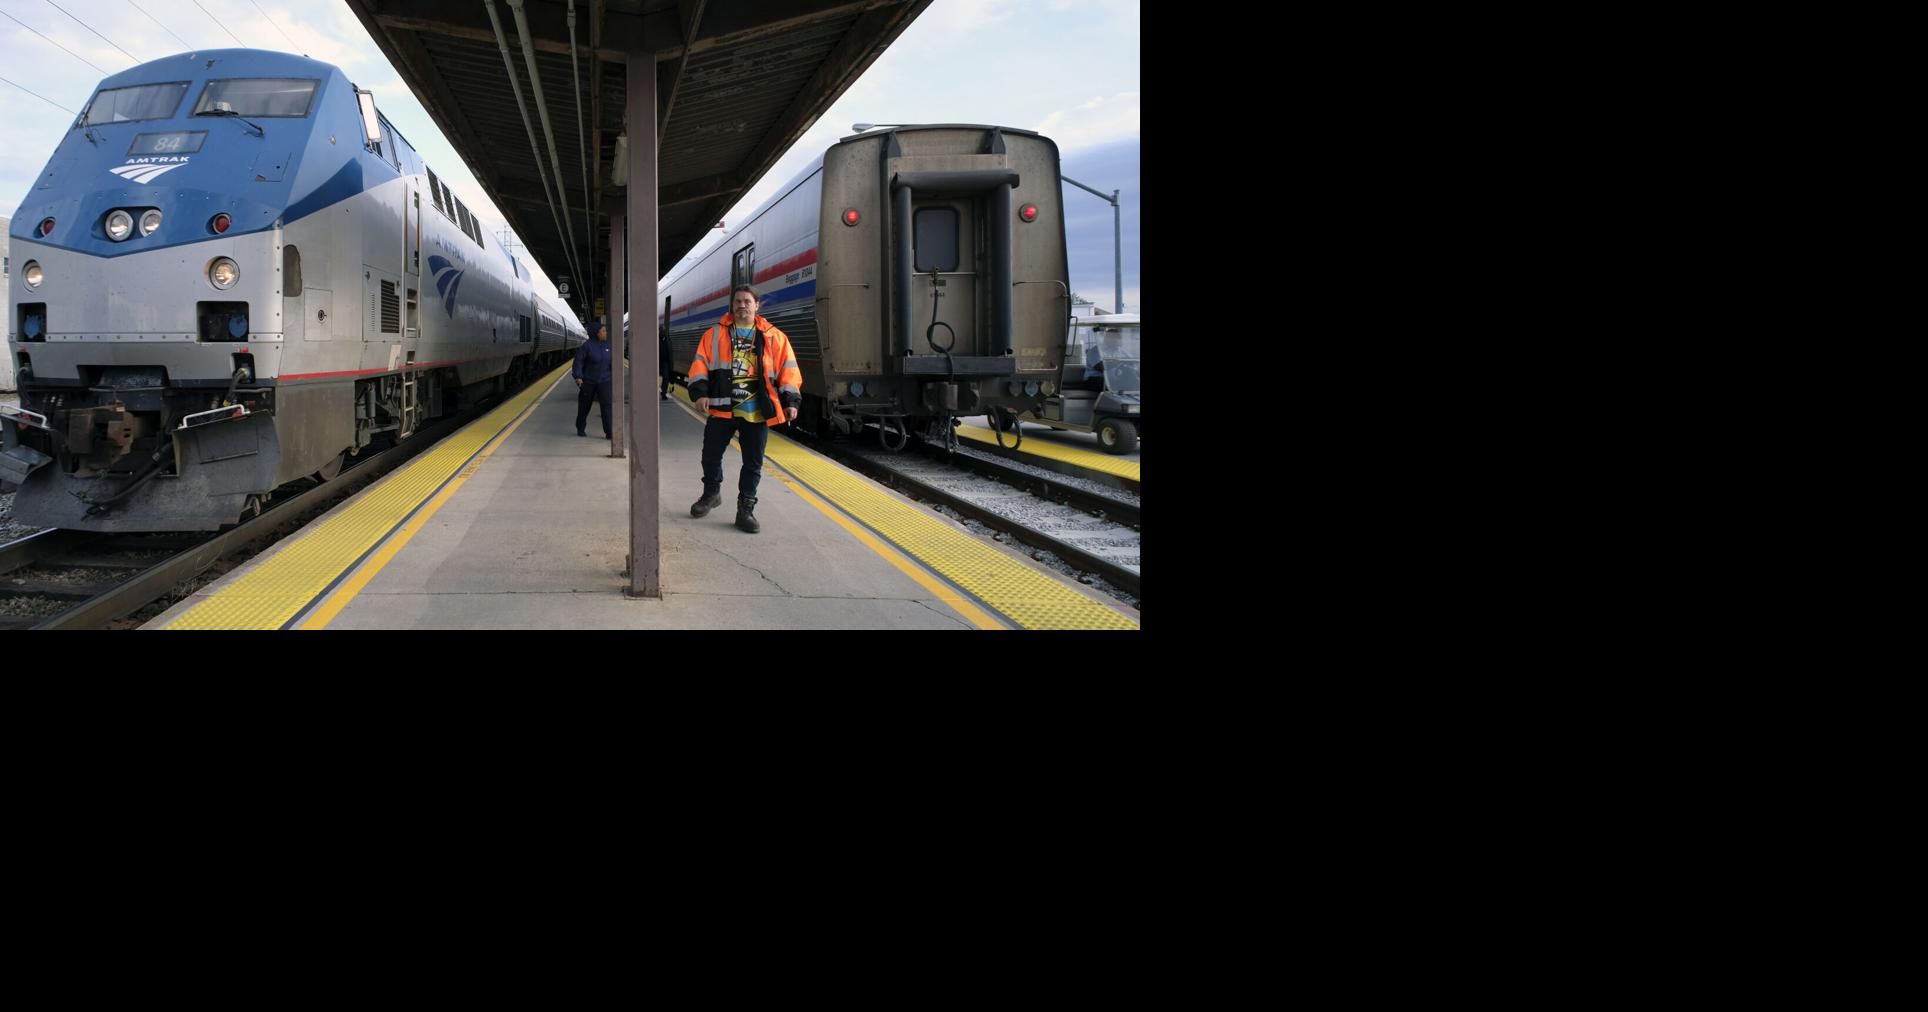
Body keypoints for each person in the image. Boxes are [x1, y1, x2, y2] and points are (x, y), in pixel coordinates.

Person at [685, 285, 802, 533]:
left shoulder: (774, 336)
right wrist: (700, 393)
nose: (742, 305)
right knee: (710, 457)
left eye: (747, 301)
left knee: (752, 463)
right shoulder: (714, 334)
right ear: (732, 305)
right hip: (722, 409)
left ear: (757, 305)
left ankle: (745, 509)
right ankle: (711, 494)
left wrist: (791, 402)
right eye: (738, 301)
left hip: (756, 412)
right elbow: (699, 366)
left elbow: (789, 372)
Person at [573, 319, 613, 438]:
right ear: (597, 333)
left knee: (607, 406)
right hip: (588, 382)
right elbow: (578, 362)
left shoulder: (608, 346)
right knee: (584, 406)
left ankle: (609, 432)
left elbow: (612, 363)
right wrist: (578, 376)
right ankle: (580, 428)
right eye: (603, 331)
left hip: (604, 381)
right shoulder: (586, 347)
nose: (606, 333)